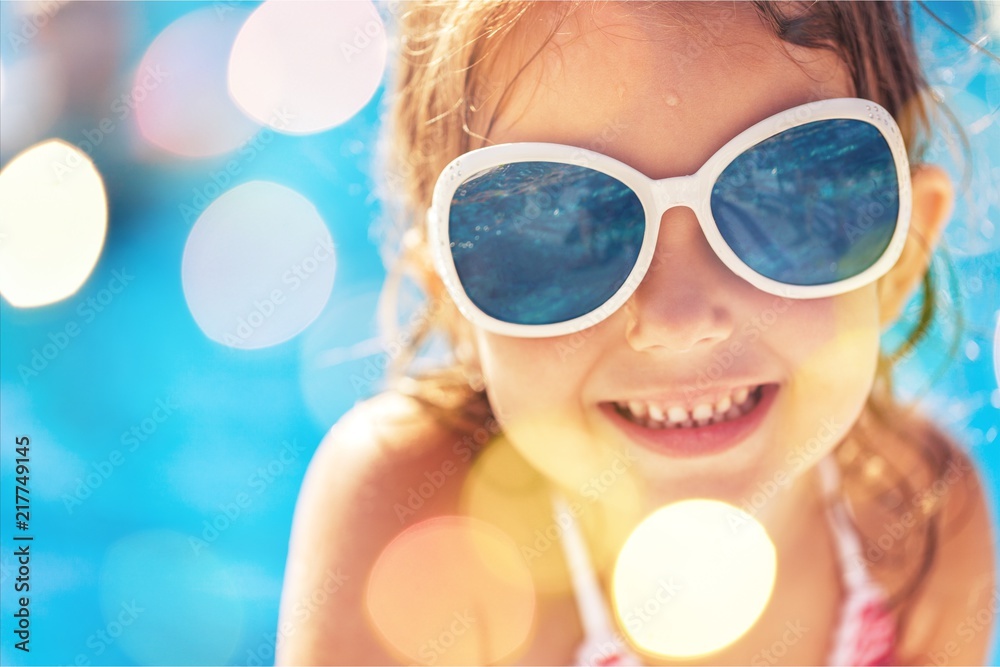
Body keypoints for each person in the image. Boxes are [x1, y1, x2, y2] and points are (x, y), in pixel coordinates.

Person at [277, 2, 996, 665]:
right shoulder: (418, 540)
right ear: (458, 296)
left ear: (902, 254)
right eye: (558, 225)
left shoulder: (922, 528)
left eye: (783, 200)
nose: (677, 320)